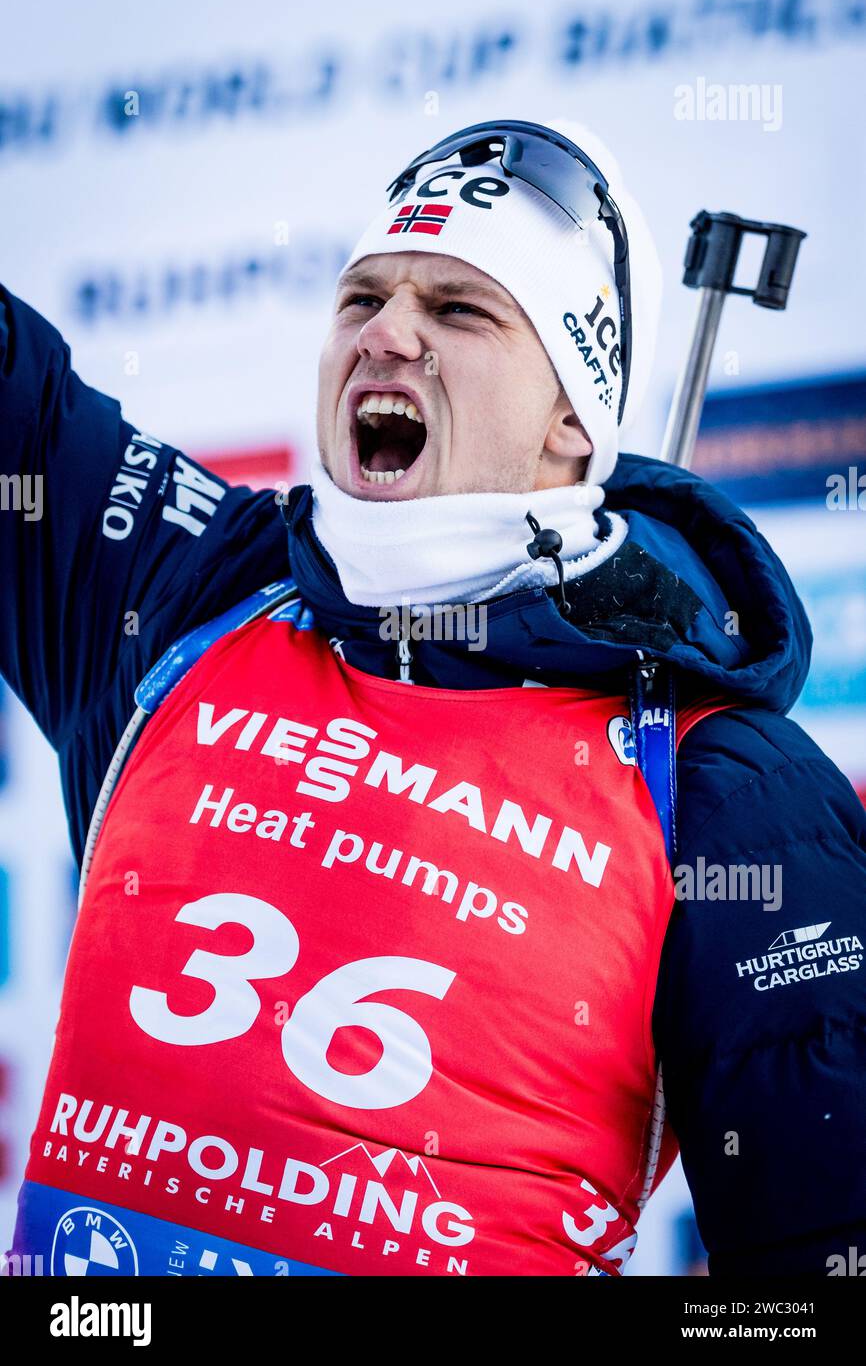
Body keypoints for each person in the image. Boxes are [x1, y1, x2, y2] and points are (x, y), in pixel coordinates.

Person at [1, 119, 864, 1279]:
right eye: (360, 299)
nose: (384, 333)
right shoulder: (186, 600)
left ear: (574, 416)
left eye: (459, 310)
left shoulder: (721, 784)